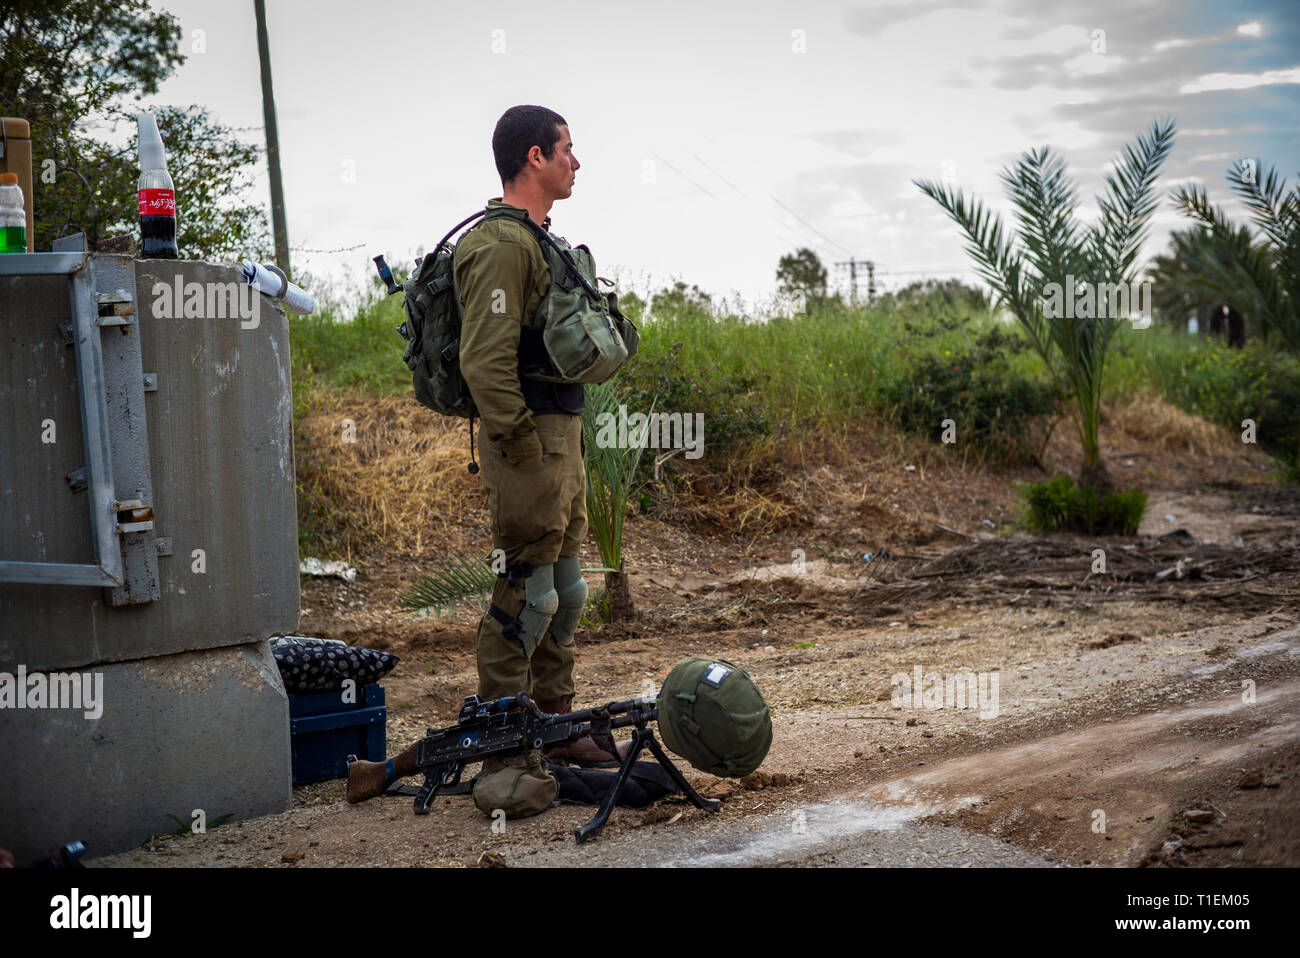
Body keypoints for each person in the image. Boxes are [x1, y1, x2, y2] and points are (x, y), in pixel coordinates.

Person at [455, 104, 628, 767]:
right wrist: (524, 449)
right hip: (528, 439)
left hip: (562, 430)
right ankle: (504, 741)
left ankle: (555, 726)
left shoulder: (540, 240)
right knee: (525, 592)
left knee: (566, 590)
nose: (575, 162)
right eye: (566, 149)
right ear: (534, 157)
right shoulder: (500, 246)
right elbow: (483, 362)